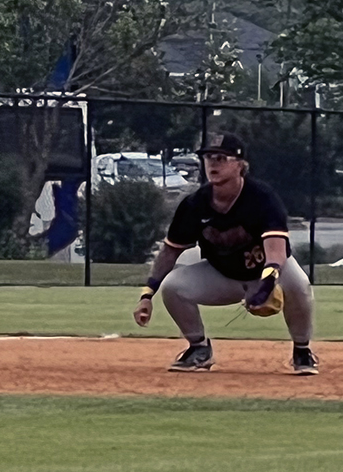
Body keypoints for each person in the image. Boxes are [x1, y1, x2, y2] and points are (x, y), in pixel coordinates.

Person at [132, 133, 319, 375]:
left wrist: (266, 285)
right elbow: (170, 252)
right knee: (173, 286)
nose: (213, 164)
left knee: (300, 285)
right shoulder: (194, 204)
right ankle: (199, 348)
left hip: (268, 271)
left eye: (221, 158)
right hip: (223, 275)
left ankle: (302, 351)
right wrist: (147, 295)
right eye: (209, 157)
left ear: (240, 165)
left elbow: (276, 251)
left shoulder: (262, 198)